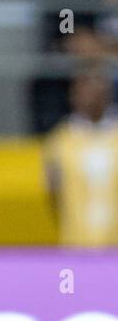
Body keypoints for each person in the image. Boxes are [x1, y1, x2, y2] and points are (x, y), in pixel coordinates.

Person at [44, 67, 118, 245]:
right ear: (73, 94)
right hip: (77, 244)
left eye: (97, 85)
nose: (91, 93)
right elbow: (53, 195)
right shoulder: (59, 140)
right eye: (84, 86)